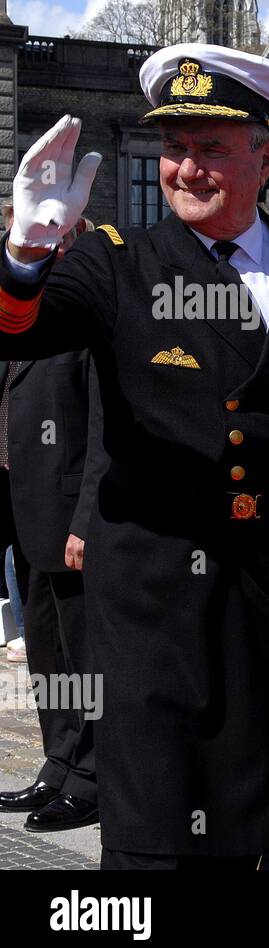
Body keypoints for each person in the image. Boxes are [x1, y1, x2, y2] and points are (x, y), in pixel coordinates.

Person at [0, 44, 269, 868]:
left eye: (213, 149)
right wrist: (23, 254)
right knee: (156, 830)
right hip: (151, 608)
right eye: (176, 148)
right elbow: (19, 329)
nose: (187, 169)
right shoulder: (117, 260)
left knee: (267, 825)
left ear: (267, 156)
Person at [0, 343, 107, 832]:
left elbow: (102, 435)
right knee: (45, 650)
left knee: (81, 654)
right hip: (26, 513)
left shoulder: (80, 327)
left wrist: (85, 521)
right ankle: (59, 762)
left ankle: (91, 777)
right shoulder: (16, 327)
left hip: (68, 519)